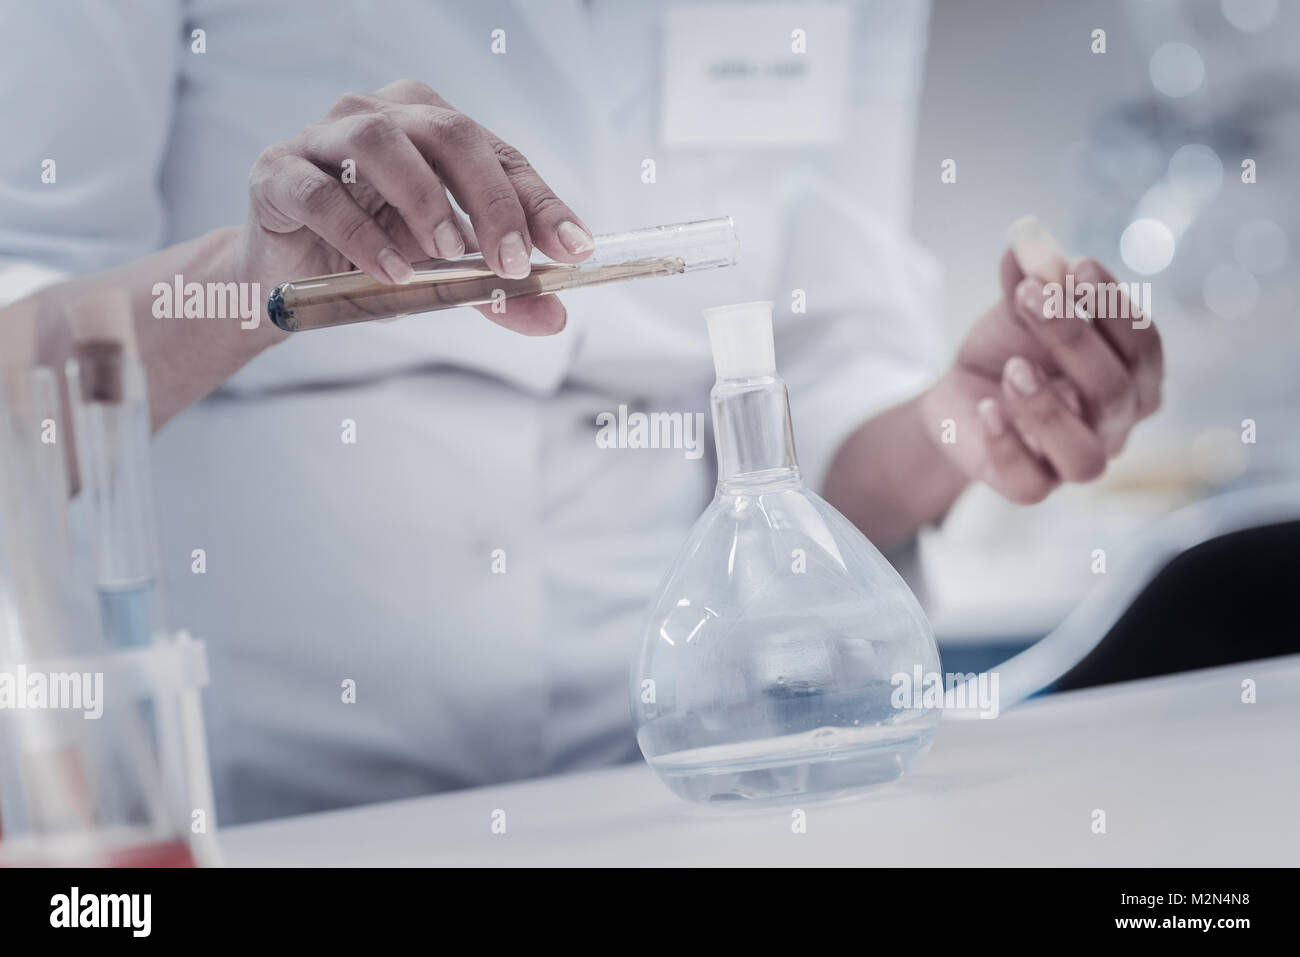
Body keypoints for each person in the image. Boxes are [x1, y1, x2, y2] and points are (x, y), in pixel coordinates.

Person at [0, 1, 1161, 823]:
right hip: (270, 808)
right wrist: (259, 277)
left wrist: (962, 425)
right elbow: (22, 371)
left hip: (680, 791)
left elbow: (806, 390)